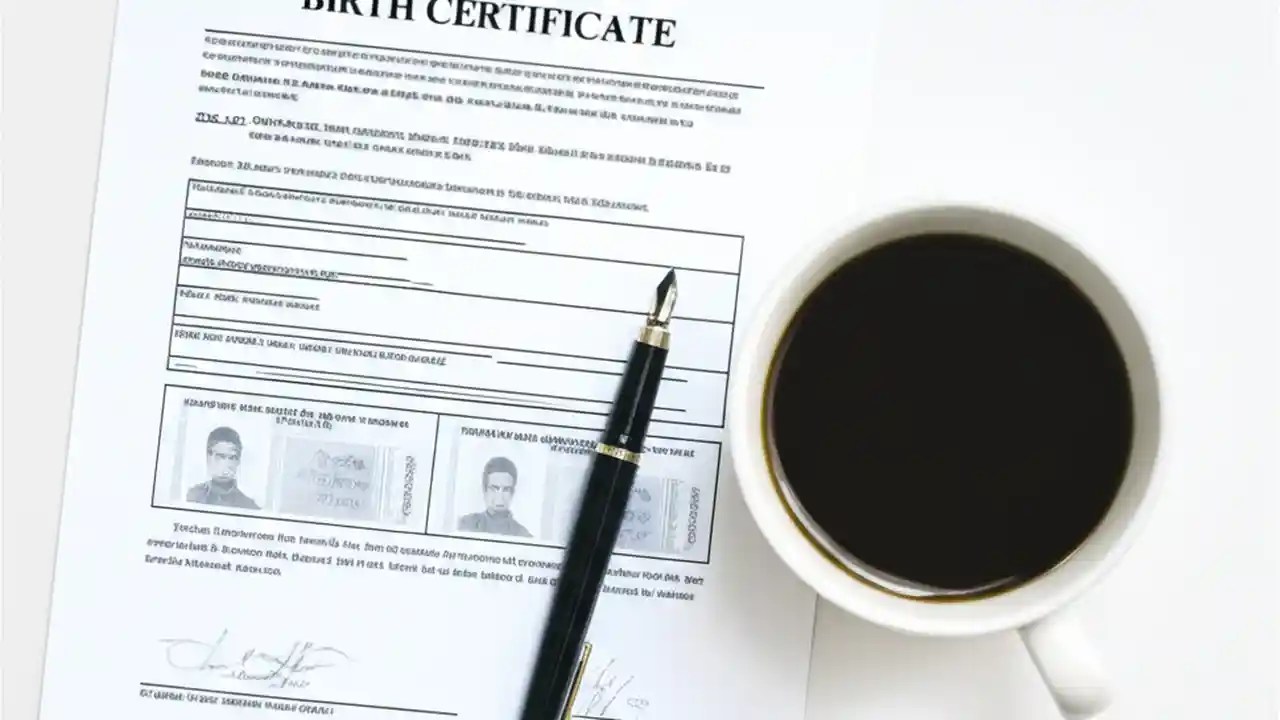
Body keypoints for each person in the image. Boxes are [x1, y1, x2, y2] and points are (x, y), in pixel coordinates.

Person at [186, 426, 260, 509]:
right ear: (208, 457)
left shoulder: (249, 507)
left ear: (238, 461)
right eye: (220, 457)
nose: (226, 464)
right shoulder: (191, 496)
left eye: (232, 458)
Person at [457, 456, 531, 537]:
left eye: (506, 489)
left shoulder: (523, 535)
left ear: (512, 493)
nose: (500, 496)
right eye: (494, 489)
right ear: (485, 490)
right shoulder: (466, 524)